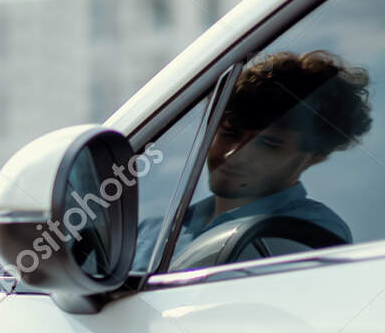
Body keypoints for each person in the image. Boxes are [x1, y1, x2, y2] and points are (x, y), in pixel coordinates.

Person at [134, 49, 372, 272]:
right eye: (229, 133)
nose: (233, 154)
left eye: (268, 145)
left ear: (317, 155)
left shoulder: (308, 231)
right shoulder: (150, 233)